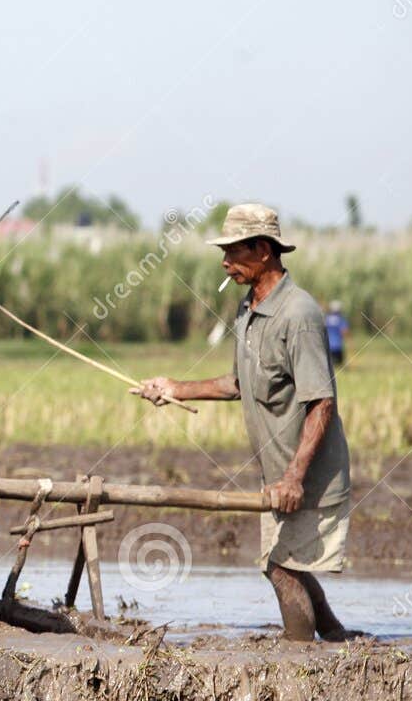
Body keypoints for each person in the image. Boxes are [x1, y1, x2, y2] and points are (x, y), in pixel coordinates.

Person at [133, 203, 357, 642]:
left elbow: (321, 403)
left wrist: (295, 477)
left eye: (233, 251)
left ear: (263, 249)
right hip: (277, 472)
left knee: (278, 565)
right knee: (287, 560)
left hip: (306, 475)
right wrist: (175, 388)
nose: (224, 262)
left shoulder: (299, 315)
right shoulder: (248, 309)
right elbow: (240, 382)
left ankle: (298, 657)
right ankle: (334, 638)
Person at [324, 300, 348, 368]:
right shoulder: (341, 319)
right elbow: (344, 331)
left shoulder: (326, 319)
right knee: (339, 366)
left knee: (329, 367)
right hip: (338, 346)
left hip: (328, 346)